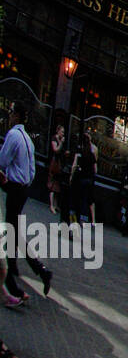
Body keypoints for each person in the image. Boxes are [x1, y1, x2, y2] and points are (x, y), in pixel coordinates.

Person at [0, 104, 53, 302]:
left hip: (14, 187)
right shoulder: (28, 140)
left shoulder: (13, 136)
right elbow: (31, 171)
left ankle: (40, 269)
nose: (10, 116)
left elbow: (3, 161)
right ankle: (14, 266)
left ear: (16, 116)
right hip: (23, 188)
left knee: (12, 229)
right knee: (12, 228)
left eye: (12, 113)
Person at [66, 131, 97, 225]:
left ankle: (72, 220)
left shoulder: (79, 153)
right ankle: (82, 220)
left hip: (79, 180)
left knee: (74, 201)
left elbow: (74, 165)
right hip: (88, 180)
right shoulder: (92, 155)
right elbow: (95, 169)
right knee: (84, 201)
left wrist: (71, 176)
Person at [47, 122, 66, 220]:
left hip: (59, 163)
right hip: (54, 163)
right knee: (53, 183)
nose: (63, 133)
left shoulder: (59, 139)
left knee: (57, 184)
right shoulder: (54, 139)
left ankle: (55, 204)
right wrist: (61, 143)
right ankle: (51, 205)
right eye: (62, 131)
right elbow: (55, 150)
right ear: (58, 131)